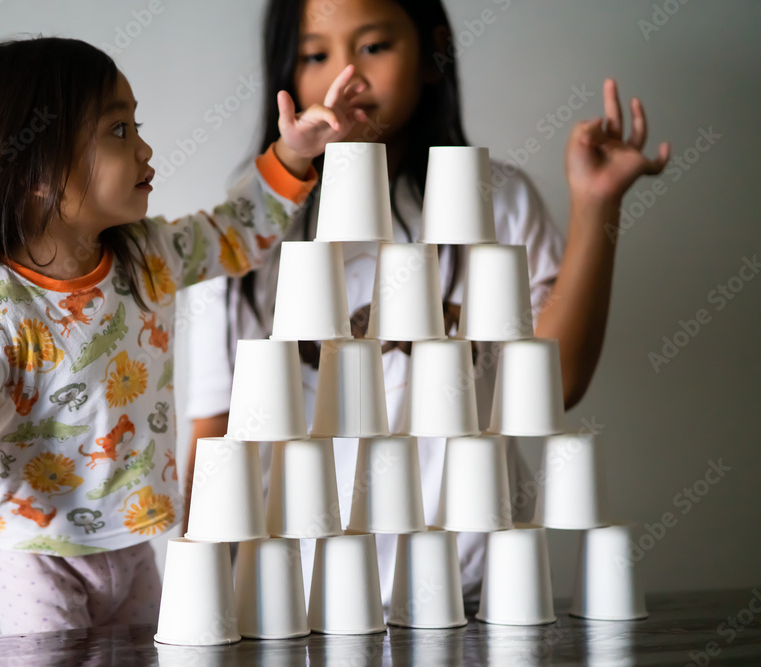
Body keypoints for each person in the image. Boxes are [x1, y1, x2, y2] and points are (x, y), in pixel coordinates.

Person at [0, 36, 366, 662]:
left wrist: (293, 154)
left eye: (137, 124)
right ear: (36, 174)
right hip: (32, 555)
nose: (145, 148)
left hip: (130, 543)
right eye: (118, 129)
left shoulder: (148, 255)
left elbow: (235, 234)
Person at [184, 0, 670, 609]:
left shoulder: (498, 201)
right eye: (315, 55)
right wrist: (198, 598)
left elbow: (558, 382)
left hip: (475, 592)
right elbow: (214, 439)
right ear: (287, 76)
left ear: (433, 56)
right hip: (294, 600)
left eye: (373, 47)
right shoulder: (244, 238)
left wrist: (596, 204)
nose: (345, 76)